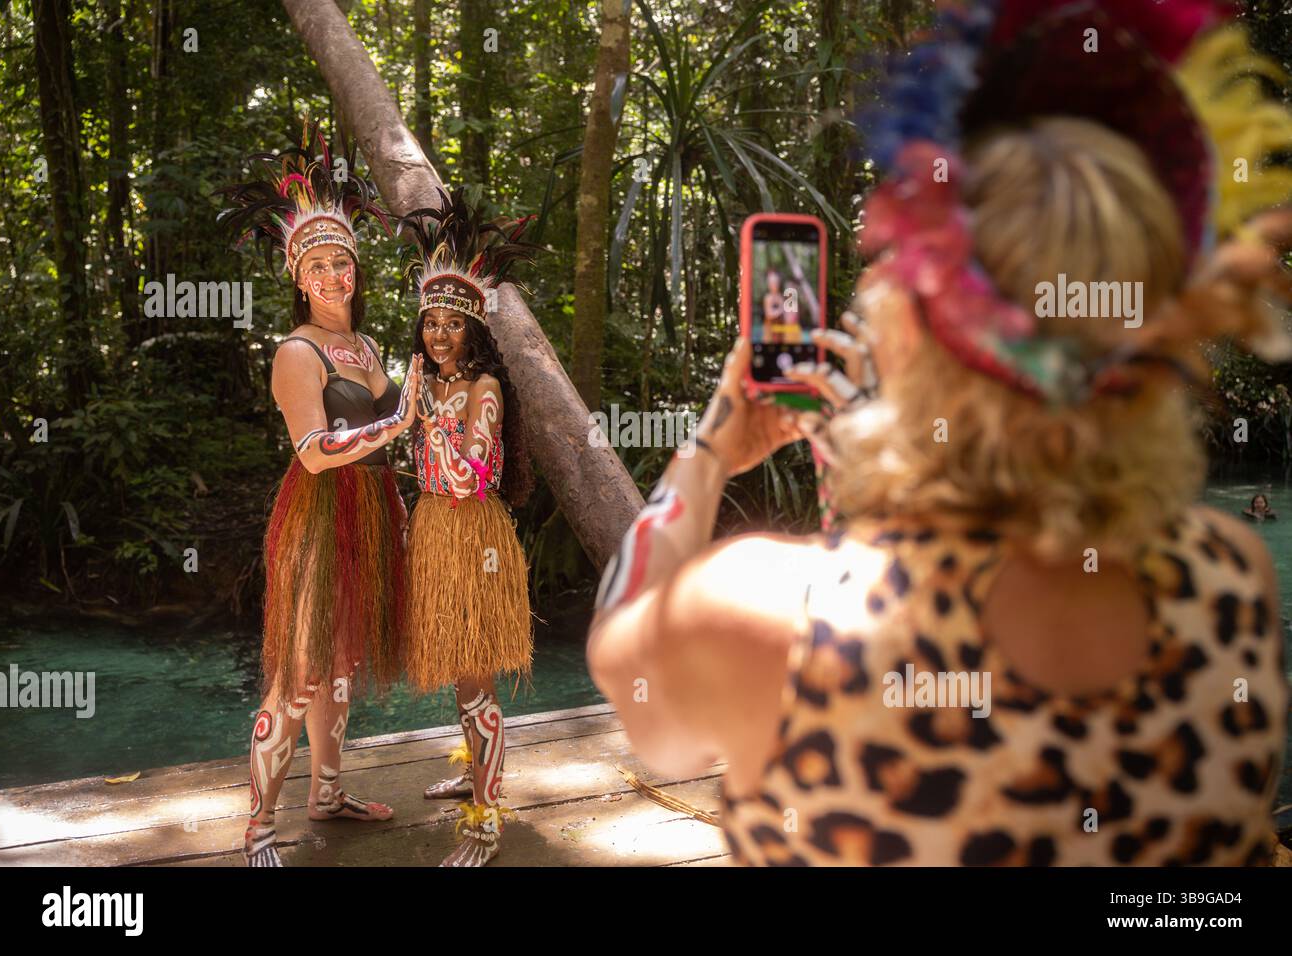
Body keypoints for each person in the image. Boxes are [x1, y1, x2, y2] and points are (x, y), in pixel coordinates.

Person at [587, 0, 1292, 865]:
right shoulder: (1230, 589)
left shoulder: (769, 615)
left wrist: (708, 453)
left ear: (907, 327)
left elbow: (627, 668)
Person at [218, 126, 421, 866]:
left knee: (342, 668)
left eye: (346, 262)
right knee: (298, 674)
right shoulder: (295, 352)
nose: (337, 275)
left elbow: (403, 432)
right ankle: (259, 828)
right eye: (321, 265)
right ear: (300, 278)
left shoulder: (366, 350)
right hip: (316, 518)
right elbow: (312, 452)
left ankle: (327, 794)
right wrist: (399, 420)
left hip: (372, 514)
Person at [396, 188, 538, 867]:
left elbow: (471, 479)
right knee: (458, 670)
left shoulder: (484, 390)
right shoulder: (429, 386)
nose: (439, 335)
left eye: (452, 325)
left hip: (473, 537)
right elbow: (417, 466)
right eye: (430, 323)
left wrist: (432, 423)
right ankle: (471, 768)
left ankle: (486, 820)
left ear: (475, 331)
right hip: (432, 534)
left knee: (477, 675)